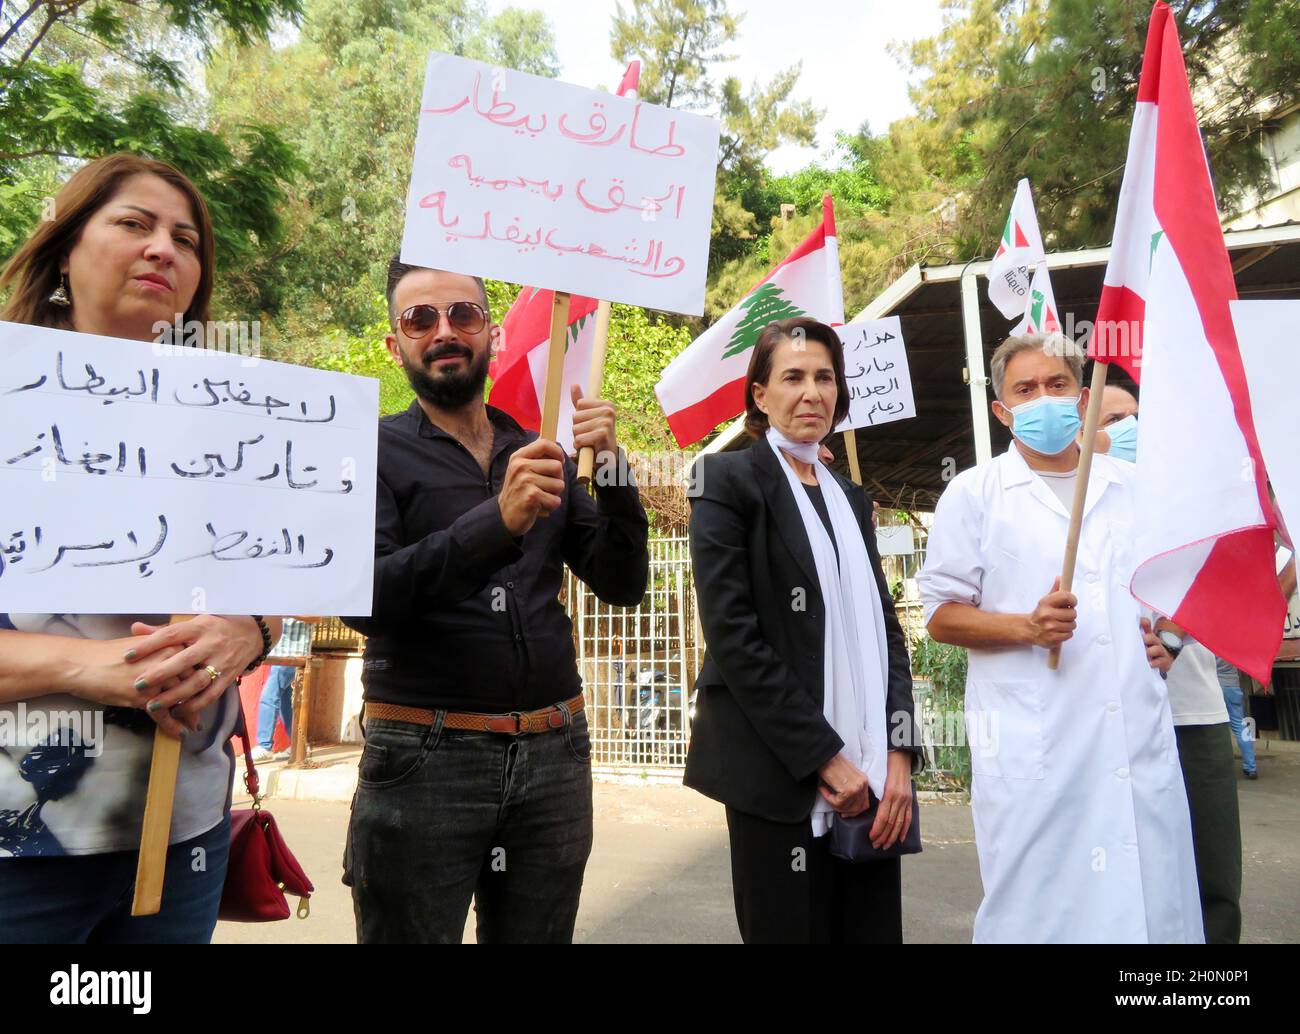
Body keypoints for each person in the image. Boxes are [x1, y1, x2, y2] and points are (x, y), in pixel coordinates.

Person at [0, 154, 281, 943]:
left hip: (183, 838)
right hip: (19, 852)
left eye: (186, 240)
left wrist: (248, 631)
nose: (163, 248)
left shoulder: (240, 421)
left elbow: (275, 589)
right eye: (134, 223)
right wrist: (87, 667)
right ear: (65, 250)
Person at [341, 257, 649, 944]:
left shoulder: (539, 452)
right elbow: (363, 599)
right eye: (420, 319)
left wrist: (613, 469)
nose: (444, 332)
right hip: (423, 756)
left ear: (492, 334)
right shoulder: (367, 451)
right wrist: (496, 524)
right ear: (395, 344)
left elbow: (622, 584)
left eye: (464, 314)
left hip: (553, 754)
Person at [917, 332, 1202, 943]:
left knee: (1151, 903)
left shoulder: (1131, 485)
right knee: (1043, 911)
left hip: (1133, 738)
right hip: (1036, 744)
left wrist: (1173, 639)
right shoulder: (974, 494)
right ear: (1002, 411)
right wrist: (1026, 627)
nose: (1042, 398)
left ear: (1081, 398)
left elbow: (1180, 583)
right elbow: (940, 615)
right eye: (1025, 390)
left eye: (1057, 384)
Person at [685, 318, 921, 944]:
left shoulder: (852, 498)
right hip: (778, 779)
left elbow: (887, 631)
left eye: (825, 377)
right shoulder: (725, 481)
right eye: (793, 377)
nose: (812, 392)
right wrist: (825, 759)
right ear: (760, 395)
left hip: (875, 784)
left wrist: (899, 756)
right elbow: (734, 639)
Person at [253, 617, 317, 762]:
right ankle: (298, 745)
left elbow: (317, 618)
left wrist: (289, 612)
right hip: (278, 652)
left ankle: (264, 745)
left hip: (293, 653)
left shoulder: (306, 602)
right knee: (285, 703)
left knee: (269, 697)